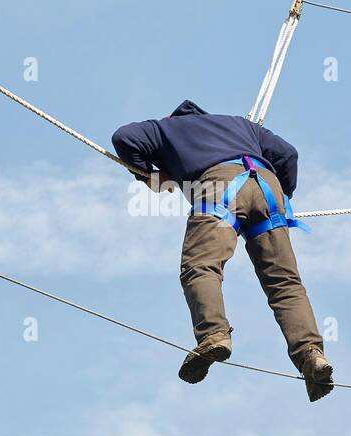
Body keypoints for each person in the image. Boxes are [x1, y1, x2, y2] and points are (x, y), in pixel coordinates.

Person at [112, 100, 333, 402]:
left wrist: (149, 176)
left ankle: (214, 335)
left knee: (201, 267)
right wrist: (283, 193)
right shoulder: (240, 125)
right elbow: (288, 153)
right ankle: (311, 355)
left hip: (218, 188)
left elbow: (124, 137)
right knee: (285, 284)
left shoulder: (167, 128)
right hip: (268, 190)